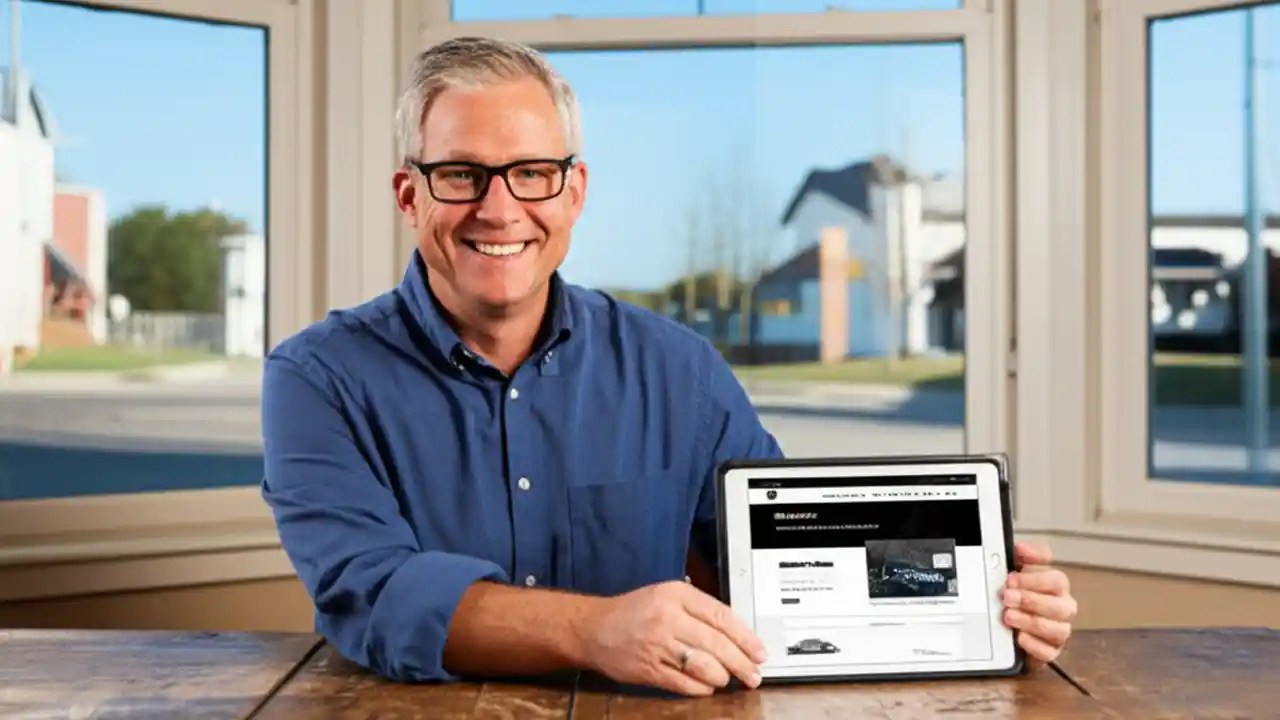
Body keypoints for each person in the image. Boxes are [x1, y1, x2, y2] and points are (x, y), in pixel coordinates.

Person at [260, 36, 1078, 697]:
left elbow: (782, 562)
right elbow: (372, 594)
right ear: (411, 196)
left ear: (574, 192)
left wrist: (970, 604)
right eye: (461, 174)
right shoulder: (315, 380)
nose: (499, 208)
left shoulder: (678, 371)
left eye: (533, 173)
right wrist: (594, 630)